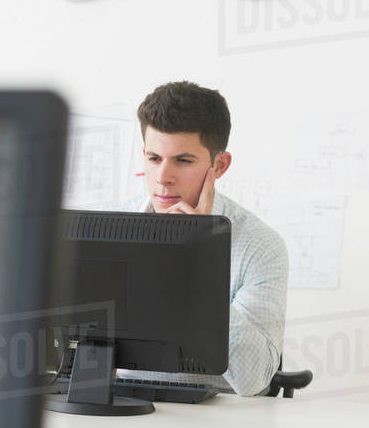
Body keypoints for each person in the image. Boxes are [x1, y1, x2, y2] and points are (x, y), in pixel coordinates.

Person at [119, 80, 287, 396]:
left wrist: (197, 268)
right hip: (122, 408)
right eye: (154, 158)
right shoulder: (111, 224)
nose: (163, 178)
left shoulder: (260, 247)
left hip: (215, 424)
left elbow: (255, 380)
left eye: (183, 161)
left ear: (218, 165)